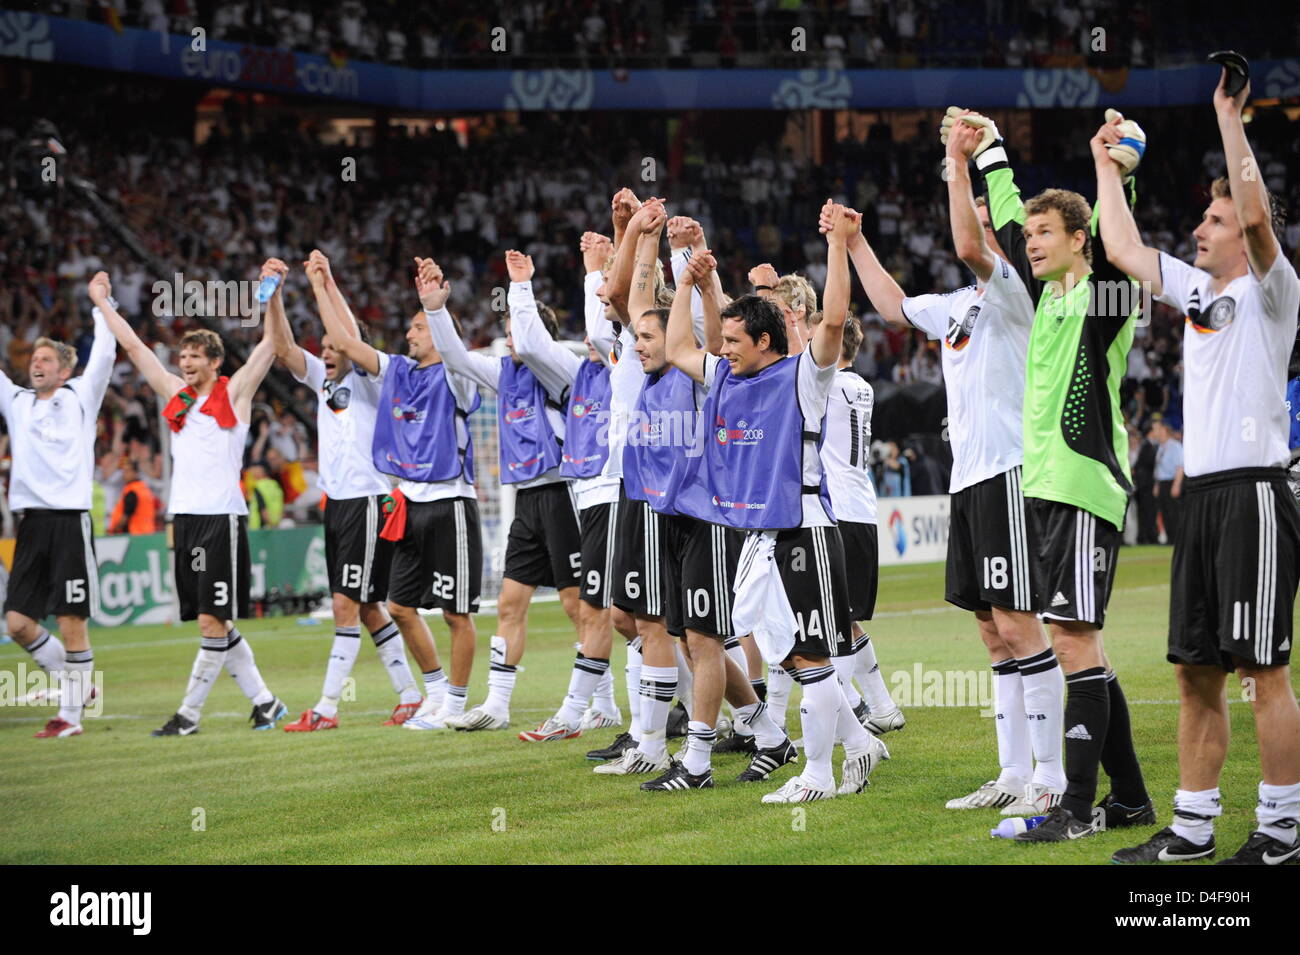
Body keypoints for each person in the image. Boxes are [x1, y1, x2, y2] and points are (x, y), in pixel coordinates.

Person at [838, 119, 1067, 815]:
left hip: (1008, 474)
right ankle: (1011, 771)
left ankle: (1051, 779)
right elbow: (889, 304)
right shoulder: (958, 307)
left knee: (1020, 622)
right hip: (969, 481)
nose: (981, 237)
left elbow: (968, 240)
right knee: (991, 628)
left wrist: (954, 162)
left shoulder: (1014, 293)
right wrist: (853, 243)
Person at [1100, 71, 1300, 865]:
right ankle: (1190, 828)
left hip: (1255, 494)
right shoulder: (1196, 294)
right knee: (1195, 675)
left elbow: (1254, 212)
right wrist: (1108, 171)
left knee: (1262, 670)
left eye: (1211, 221)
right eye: (1201, 218)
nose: (1198, 230)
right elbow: (1118, 246)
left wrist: (1228, 117)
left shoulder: (1274, 289)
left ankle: (1282, 829)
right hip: (1206, 501)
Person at [968, 107, 1153, 841]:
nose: (1032, 243)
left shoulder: (1104, 296)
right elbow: (1009, 220)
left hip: (1082, 486)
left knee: (1074, 640)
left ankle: (1075, 809)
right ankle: (1131, 801)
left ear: (1081, 241)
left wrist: (1114, 168)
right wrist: (989, 150)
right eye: (1034, 235)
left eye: (1051, 234)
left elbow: (1115, 240)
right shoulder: (1048, 296)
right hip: (1046, 488)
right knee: (1085, 649)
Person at [667, 203, 888, 802]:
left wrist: (839, 245)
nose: (725, 347)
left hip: (806, 528)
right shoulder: (729, 377)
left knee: (811, 654)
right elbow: (680, 348)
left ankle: (818, 774)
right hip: (763, 538)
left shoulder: (802, 377)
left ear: (766, 340)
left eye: (736, 340)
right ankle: (860, 743)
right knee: (786, 652)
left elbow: (836, 318)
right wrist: (689, 282)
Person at [95, 274, 288, 736]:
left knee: (209, 619)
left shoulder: (235, 394)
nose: (184, 363)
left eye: (194, 356)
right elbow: (137, 348)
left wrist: (274, 294)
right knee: (214, 619)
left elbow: (272, 342)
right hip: (186, 521)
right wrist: (103, 303)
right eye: (182, 356)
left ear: (216, 362)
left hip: (222, 519)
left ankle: (188, 715)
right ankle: (266, 703)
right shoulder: (175, 398)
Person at [308, 250, 482, 732]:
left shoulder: (458, 376)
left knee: (455, 612)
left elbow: (448, 346)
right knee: (401, 606)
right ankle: (437, 692)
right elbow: (345, 339)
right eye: (412, 327)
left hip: (450, 501)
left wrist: (435, 308)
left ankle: (458, 703)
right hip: (407, 502)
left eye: (418, 328)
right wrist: (323, 284)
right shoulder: (398, 372)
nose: (410, 334)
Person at [416, 256, 584, 731]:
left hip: (560, 494)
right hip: (527, 500)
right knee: (510, 603)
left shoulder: (557, 372)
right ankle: (497, 703)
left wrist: (520, 288)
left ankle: (598, 703)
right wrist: (435, 310)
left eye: (513, 331)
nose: (509, 340)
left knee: (577, 606)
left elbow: (531, 343)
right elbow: (456, 358)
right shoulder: (504, 373)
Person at [264, 255, 423, 731]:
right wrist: (273, 294)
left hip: (369, 501)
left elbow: (349, 338)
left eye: (336, 346)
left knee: (344, 604)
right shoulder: (321, 380)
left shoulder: (372, 381)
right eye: (325, 346)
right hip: (339, 505)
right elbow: (283, 346)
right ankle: (410, 696)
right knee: (369, 606)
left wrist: (323, 283)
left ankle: (327, 707)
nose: (328, 352)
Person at [503, 246, 635, 742]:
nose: (589, 332)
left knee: (610, 610)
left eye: (603, 309)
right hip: (591, 500)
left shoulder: (629, 369)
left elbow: (600, 330)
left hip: (619, 496)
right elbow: (535, 346)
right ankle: (670, 715)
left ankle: (573, 713)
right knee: (627, 616)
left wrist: (592, 275)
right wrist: (521, 286)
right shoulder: (580, 376)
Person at [1, 275, 115, 737]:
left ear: (66, 371)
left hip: (69, 523)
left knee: (71, 621)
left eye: (47, 359)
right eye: (34, 359)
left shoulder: (81, 398)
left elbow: (106, 353)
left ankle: (70, 716)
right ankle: (76, 686)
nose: (37, 365)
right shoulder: (17, 403)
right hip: (30, 525)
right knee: (17, 624)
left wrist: (99, 305)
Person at [1150, 415, 1184, 544]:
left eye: (1159, 430)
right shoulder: (1161, 447)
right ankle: (1170, 538)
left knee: (1173, 512)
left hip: (1171, 481)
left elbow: (1180, 467)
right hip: (1162, 482)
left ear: (1166, 431)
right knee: (1164, 511)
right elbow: (1159, 467)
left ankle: (1177, 538)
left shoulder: (1174, 446)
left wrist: (1176, 485)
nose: (1157, 433)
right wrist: (1157, 484)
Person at [108, 457, 159, 536]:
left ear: (135, 473)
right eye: (123, 471)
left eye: (127, 471)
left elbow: (125, 516)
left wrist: (115, 530)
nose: (124, 474)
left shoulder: (132, 491)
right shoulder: (144, 488)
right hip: (148, 532)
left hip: (135, 534)